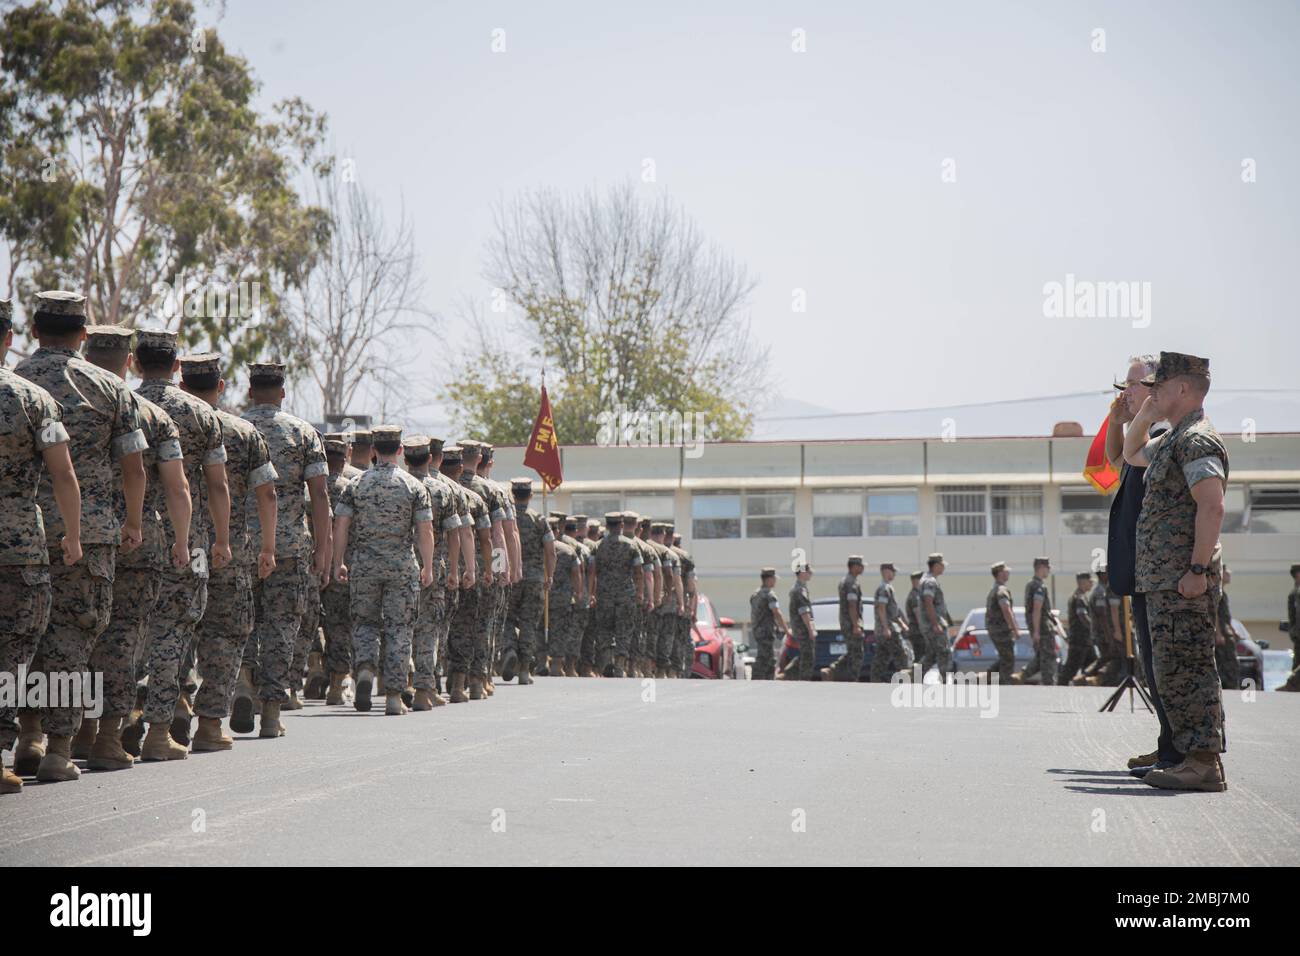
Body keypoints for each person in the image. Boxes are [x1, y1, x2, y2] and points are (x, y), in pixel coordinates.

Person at [13, 291, 146, 783]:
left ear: (32, 331)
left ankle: (28, 735)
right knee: (73, 638)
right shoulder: (110, 387)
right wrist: (132, 523)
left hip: (23, 529)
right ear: (84, 335)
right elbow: (134, 467)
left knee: (22, 638)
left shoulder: (16, 381)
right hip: (88, 535)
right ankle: (59, 748)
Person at [76, 328, 187, 767]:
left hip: (66, 535)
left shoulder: (47, 396)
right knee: (122, 639)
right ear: (128, 360)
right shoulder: (148, 413)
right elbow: (175, 486)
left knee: (75, 636)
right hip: (131, 540)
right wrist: (175, 538)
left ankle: (52, 735)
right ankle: (107, 738)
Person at [1123, 351, 1229, 792]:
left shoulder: (1196, 440)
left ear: (1183, 389)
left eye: (1160, 387)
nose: (1153, 393)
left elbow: (1212, 504)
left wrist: (1198, 568)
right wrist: (1148, 410)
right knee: (1170, 671)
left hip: (1184, 580)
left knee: (1190, 669)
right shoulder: (1173, 438)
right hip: (1166, 581)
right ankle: (1190, 757)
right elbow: (1130, 452)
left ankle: (1203, 761)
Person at [133, 332, 232, 760]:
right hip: (185, 543)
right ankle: (158, 729)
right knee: (174, 632)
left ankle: (94, 731)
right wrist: (222, 541)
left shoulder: (122, 403)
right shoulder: (201, 416)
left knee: (121, 632)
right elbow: (217, 485)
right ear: (176, 368)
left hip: (126, 537)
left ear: (136, 363)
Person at [0, 297, 81, 795]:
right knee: (11, 658)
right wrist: (72, 535)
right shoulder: (34, 400)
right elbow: (63, 474)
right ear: (10, 339)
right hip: (20, 549)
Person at [181, 354, 278, 750]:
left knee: (171, 629)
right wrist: (268, 548)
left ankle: (170, 707)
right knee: (224, 635)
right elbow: (267, 493)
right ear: (220, 387)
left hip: (175, 547)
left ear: (184, 385)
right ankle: (208, 725)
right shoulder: (243, 432)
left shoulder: (162, 419)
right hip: (228, 551)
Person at [239, 362, 332, 739]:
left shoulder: (233, 429)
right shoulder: (303, 433)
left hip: (240, 545)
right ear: (282, 392)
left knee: (240, 623)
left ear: (250, 391)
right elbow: (321, 495)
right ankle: (272, 714)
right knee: (280, 629)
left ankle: (243, 683)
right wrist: (324, 552)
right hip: (290, 548)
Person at [1106, 353, 1182, 773]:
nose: (1125, 394)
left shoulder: (1161, 434)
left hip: (1161, 571)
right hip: (1144, 569)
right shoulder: (1143, 433)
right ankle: (1168, 744)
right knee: (1155, 663)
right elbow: (1115, 460)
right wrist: (1120, 419)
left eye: (1132, 385)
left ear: (1155, 388)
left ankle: (1178, 751)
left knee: (1164, 663)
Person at [332, 425, 434, 715]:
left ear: (374, 450)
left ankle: (364, 669)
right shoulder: (414, 487)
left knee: (365, 623)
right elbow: (425, 530)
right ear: (400, 450)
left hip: (364, 565)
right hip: (401, 566)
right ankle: (393, 695)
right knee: (399, 628)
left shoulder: (356, 484)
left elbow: (341, 525)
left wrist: (339, 560)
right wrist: (427, 565)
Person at [441, 446, 493, 702]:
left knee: (433, 627)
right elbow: (489, 539)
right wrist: (493, 569)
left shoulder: (425, 489)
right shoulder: (477, 496)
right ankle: (465, 684)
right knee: (468, 628)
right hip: (466, 572)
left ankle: (421, 682)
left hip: (429, 569)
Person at [502, 478, 554, 684]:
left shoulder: (506, 517)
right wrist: (549, 576)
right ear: (530, 496)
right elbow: (551, 551)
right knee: (529, 624)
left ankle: (509, 649)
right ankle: (524, 670)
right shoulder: (539, 520)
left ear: (512, 495)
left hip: (510, 576)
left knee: (505, 619)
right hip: (534, 580)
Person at [320, 434, 355, 703]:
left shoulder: (310, 486)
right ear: (345, 459)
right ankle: (337, 682)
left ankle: (304, 677)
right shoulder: (352, 488)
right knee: (341, 625)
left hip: (311, 561)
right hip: (342, 566)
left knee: (304, 624)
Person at [589, 511, 645, 677]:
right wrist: (639, 593)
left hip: (604, 595)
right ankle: (619, 665)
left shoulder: (598, 546)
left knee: (604, 630)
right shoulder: (631, 546)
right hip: (625, 595)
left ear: (606, 526)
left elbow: (592, 572)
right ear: (621, 526)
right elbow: (639, 572)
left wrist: (591, 593)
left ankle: (607, 662)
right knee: (624, 631)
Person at [650, 522, 683, 678]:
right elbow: (674, 579)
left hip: (649, 600)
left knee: (650, 634)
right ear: (663, 535)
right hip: (667, 603)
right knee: (666, 637)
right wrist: (679, 602)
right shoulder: (670, 554)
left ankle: (648, 666)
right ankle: (662, 670)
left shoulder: (646, 548)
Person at [1024, 557, 1061, 687]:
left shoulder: (1031, 585)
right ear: (1040, 568)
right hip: (1043, 628)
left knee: (1041, 657)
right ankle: (1048, 684)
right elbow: (1037, 609)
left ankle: (1020, 676)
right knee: (1048, 657)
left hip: (1042, 627)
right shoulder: (1038, 586)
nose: (1049, 570)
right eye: (1047, 568)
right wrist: (1037, 631)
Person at [870, 562, 909, 682]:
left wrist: (902, 624)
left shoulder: (887, 587)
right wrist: (886, 628)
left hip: (886, 629)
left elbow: (892, 611)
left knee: (882, 657)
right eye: (893, 571)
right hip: (889, 630)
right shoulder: (884, 588)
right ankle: (905, 680)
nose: (894, 574)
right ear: (886, 572)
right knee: (902, 656)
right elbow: (882, 608)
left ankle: (874, 681)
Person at [828, 556, 865, 681]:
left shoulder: (846, 580)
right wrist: (856, 625)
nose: (863, 567)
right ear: (854, 567)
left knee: (851, 652)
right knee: (857, 654)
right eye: (860, 565)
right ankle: (852, 679)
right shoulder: (851, 583)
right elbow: (852, 605)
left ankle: (833, 670)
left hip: (846, 622)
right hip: (850, 623)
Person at [1058, 572, 1096, 685]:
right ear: (1083, 583)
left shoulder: (1081, 597)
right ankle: (1059, 688)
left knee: (1091, 665)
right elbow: (1082, 616)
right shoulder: (1079, 598)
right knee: (1071, 667)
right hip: (1079, 640)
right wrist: (1093, 628)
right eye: (1090, 582)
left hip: (1085, 640)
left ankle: (1086, 686)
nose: (1091, 584)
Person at [749, 568, 788, 680]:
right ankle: (760, 680)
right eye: (774, 579)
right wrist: (786, 630)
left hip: (758, 631)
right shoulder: (770, 595)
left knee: (768, 658)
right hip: (766, 632)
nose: (775, 581)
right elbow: (777, 613)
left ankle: (767, 680)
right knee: (765, 658)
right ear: (769, 579)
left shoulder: (755, 594)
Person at [918, 553, 952, 681]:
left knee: (931, 654)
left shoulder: (928, 579)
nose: (943, 567)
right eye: (942, 565)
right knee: (944, 652)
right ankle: (944, 680)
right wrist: (935, 624)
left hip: (932, 624)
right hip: (933, 625)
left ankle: (913, 676)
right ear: (936, 565)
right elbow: (928, 601)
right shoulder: (930, 581)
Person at [985, 562, 1019, 684]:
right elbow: (1006, 609)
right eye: (1006, 571)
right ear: (1000, 574)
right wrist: (1015, 628)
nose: (1008, 573)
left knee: (1005, 657)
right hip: (1001, 631)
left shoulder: (994, 590)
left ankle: (987, 676)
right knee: (1008, 659)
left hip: (995, 630)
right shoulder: (1001, 590)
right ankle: (1005, 684)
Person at [787, 564, 817, 681]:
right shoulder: (799, 590)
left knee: (805, 655)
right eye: (809, 572)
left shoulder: (800, 588)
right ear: (802, 573)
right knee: (808, 656)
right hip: (802, 629)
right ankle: (803, 681)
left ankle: (790, 675)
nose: (811, 574)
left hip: (801, 628)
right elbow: (804, 612)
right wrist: (811, 630)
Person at [1213, 566, 1240, 691]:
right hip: (1222, 634)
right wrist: (1218, 634)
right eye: (1226, 570)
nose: (1229, 573)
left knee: (1232, 662)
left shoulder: (1223, 593)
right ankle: (1227, 687)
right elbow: (1215, 614)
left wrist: (1234, 631)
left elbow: (1226, 617)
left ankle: (1232, 686)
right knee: (1225, 663)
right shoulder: (1217, 592)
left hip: (1226, 633)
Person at [904, 570, 927, 663]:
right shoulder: (915, 595)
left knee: (920, 657)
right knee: (920, 657)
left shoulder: (917, 594)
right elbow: (918, 614)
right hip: (918, 632)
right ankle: (917, 677)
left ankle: (919, 676)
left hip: (918, 631)